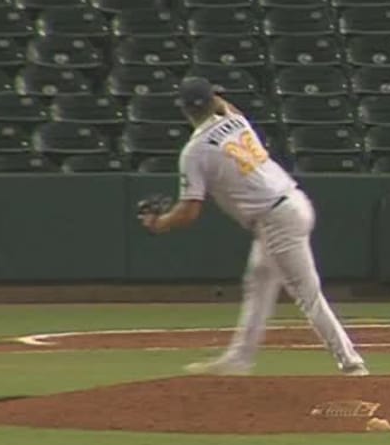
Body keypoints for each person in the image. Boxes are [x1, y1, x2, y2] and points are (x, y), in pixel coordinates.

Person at [141, 77, 369, 377]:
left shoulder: (193, 152)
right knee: (259, 281)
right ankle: (239, 359)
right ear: (213, 99)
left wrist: (160, 223)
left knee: (307, 295)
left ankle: (351, 362)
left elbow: (189, 211)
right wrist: (215, 99)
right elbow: (224, 106)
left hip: (277, 219)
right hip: (291, 203)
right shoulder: (236, 120)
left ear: (183, 110)